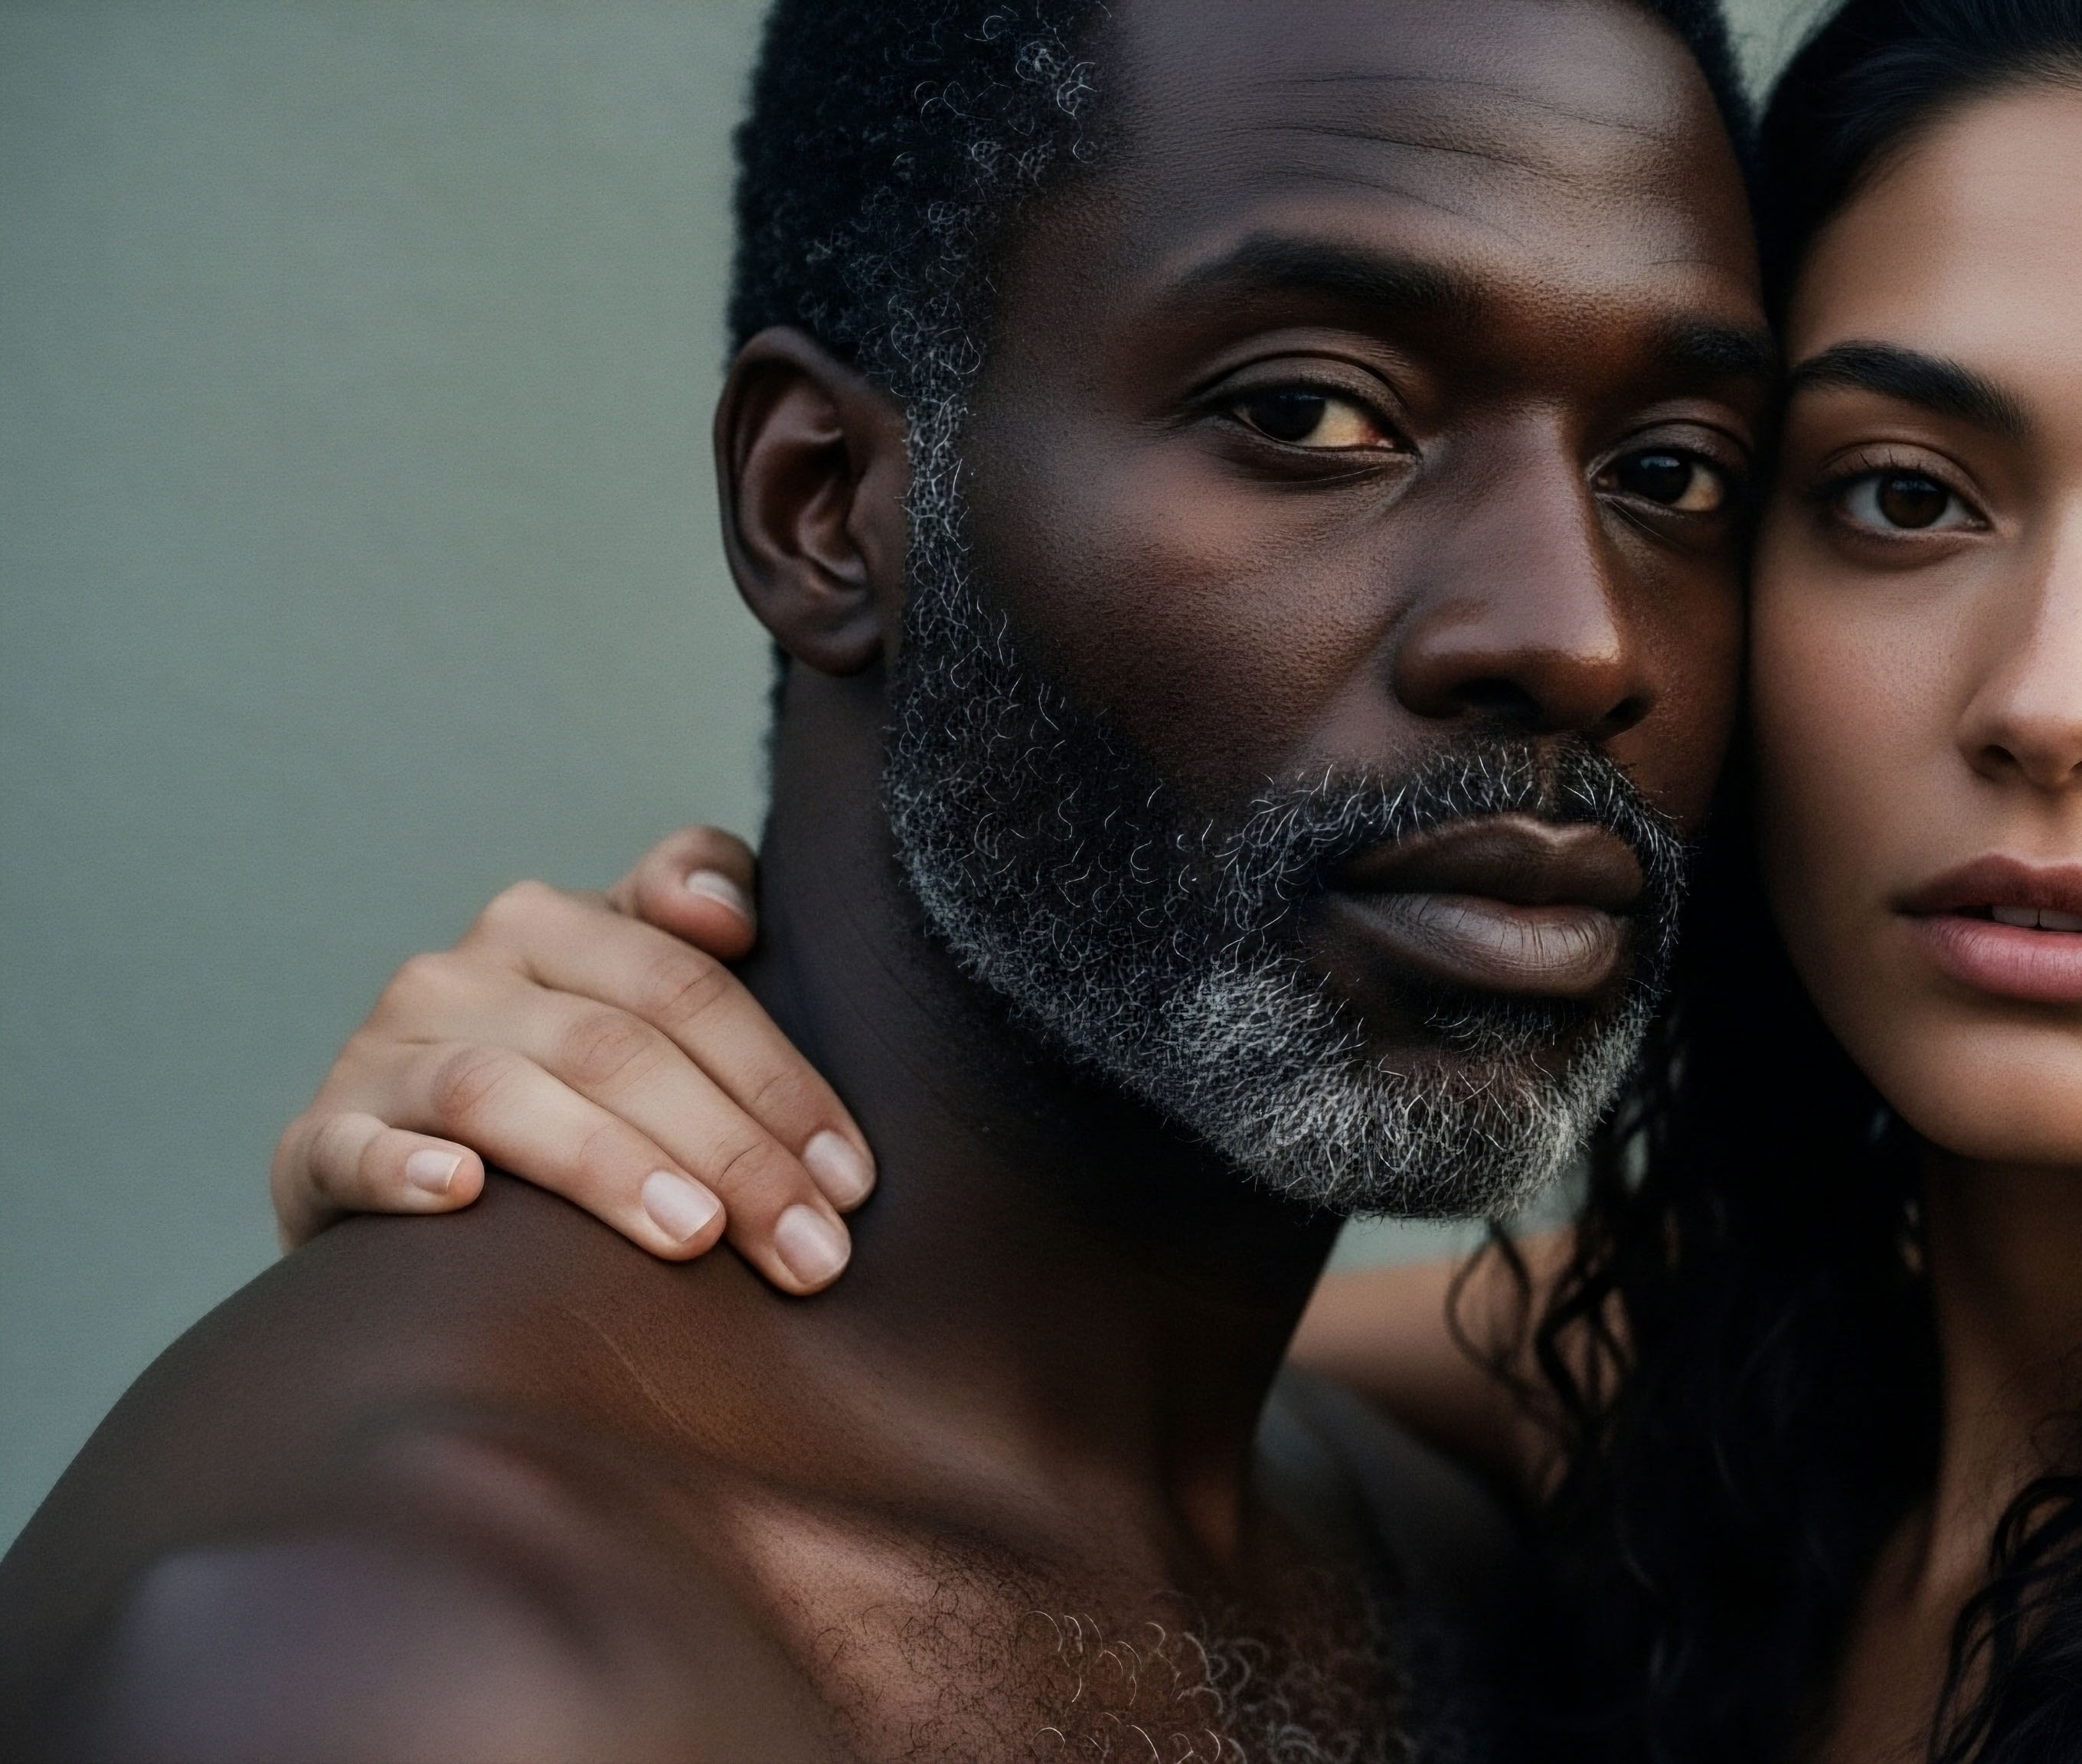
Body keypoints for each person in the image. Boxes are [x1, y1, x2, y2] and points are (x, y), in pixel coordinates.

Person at [258, 0, 2082, 1760]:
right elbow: (1055, 1404)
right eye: (1895, 492)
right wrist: (560, 1131)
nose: (2054, 696)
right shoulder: (1696, 1447)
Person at [0, 0, 1771, 1757]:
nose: (1577, 633)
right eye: (1311, 413)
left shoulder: (1482, 1532)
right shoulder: (418, 1657)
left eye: (1673, 470)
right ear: (821, 502)